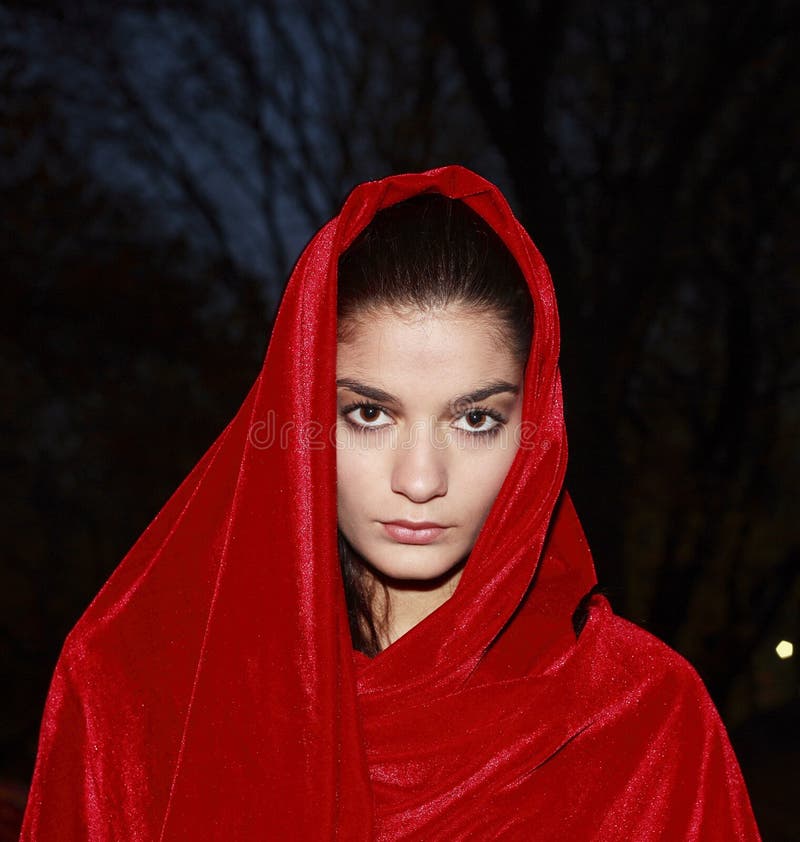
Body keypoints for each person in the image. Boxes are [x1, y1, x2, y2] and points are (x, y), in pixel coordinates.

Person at [20, 166, 760, 840]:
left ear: (534, 434)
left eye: (476, 419)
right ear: (301, 413)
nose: (420, 478)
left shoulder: (644, 721)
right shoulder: (141, 707)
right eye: (369, 414)